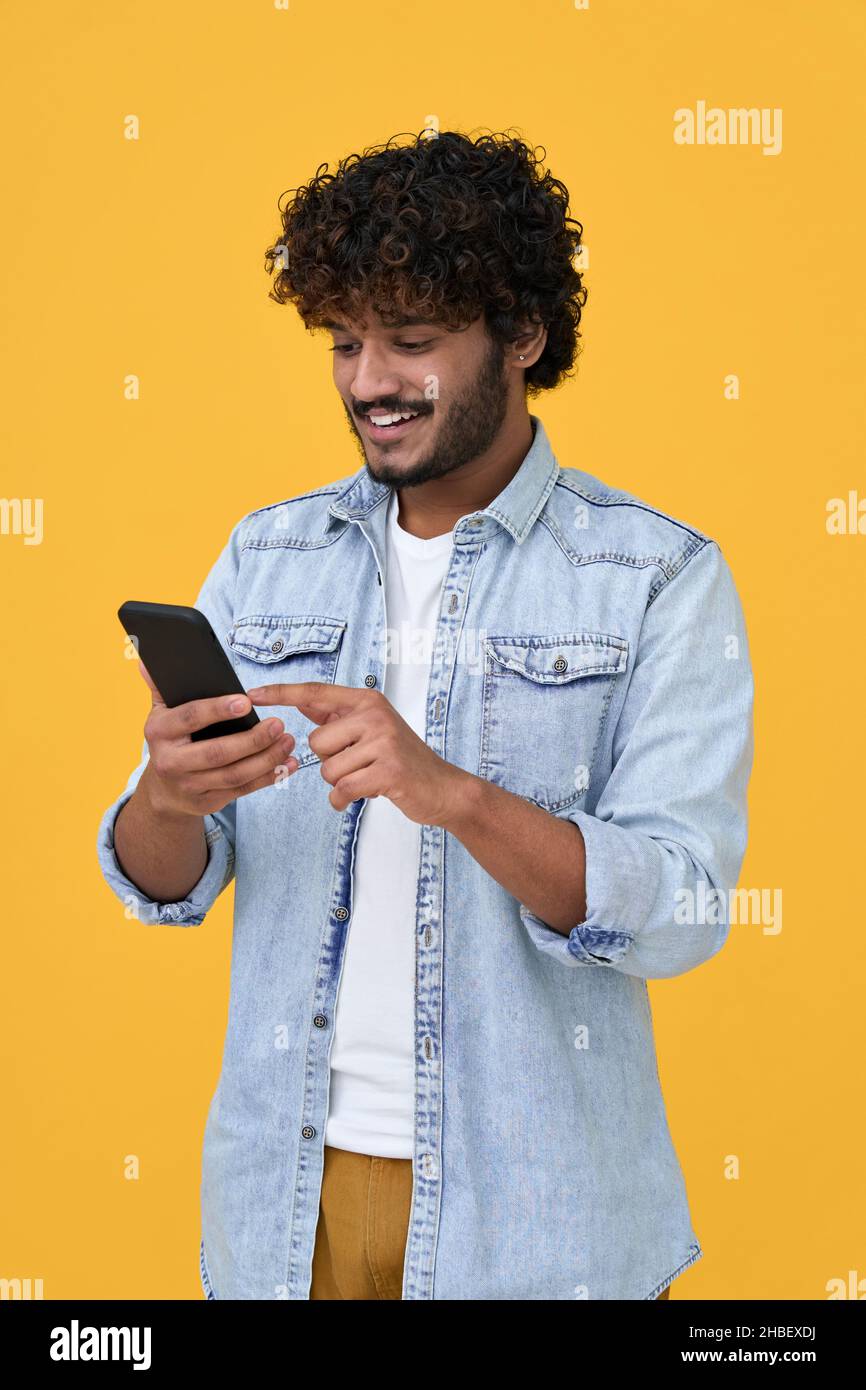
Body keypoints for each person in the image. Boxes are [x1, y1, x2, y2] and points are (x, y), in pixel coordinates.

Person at [96, 130, 754, 1300]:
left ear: (523, 336)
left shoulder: (654, 575)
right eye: (344, 341)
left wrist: (445, 789)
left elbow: (683, 905)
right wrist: (165, 795)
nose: (364, 381)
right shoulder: (268, 553)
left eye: (409, 342)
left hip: (540, 1221)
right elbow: (166, 883)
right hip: (283, 1200)